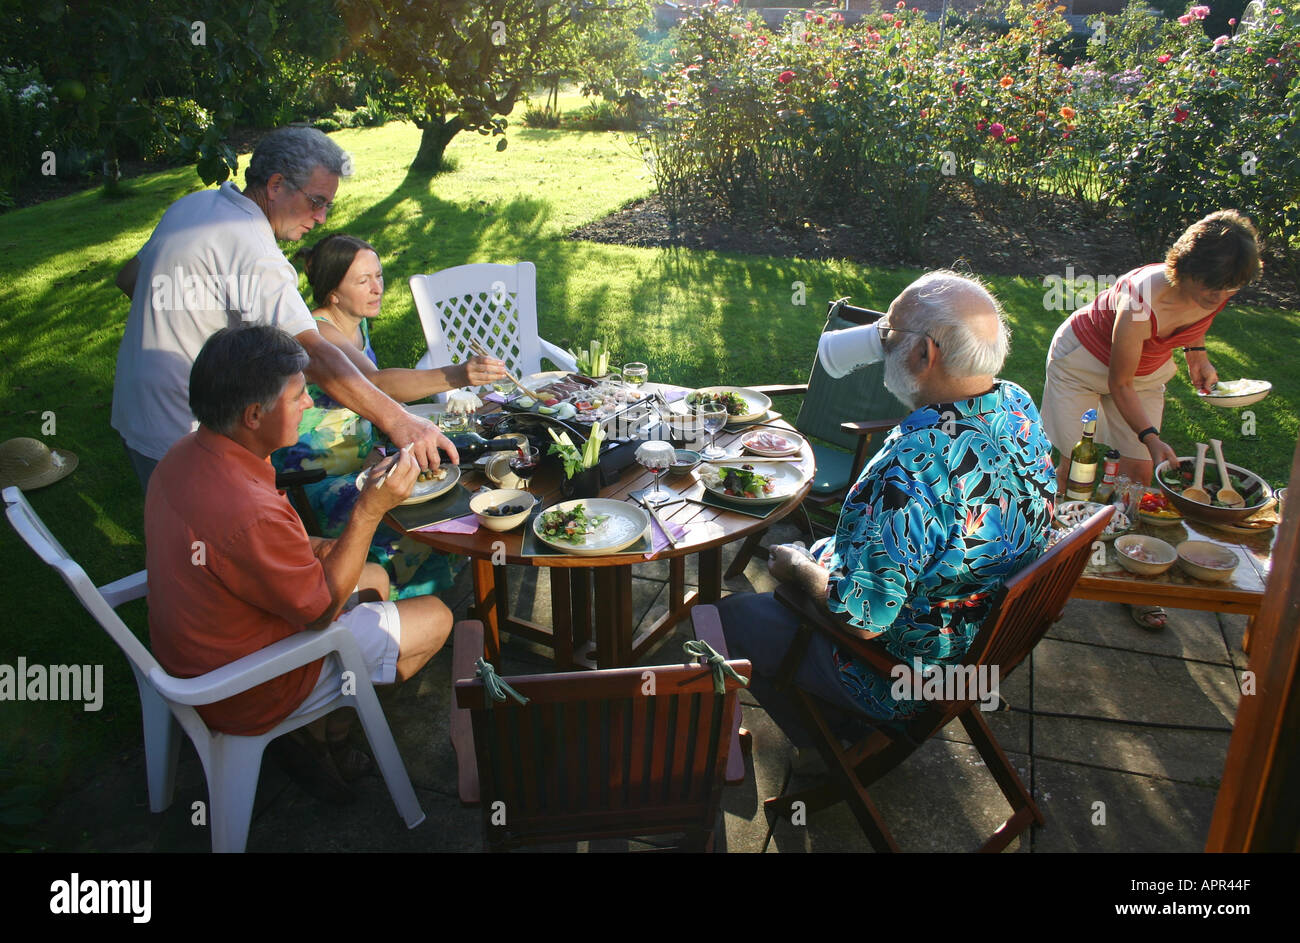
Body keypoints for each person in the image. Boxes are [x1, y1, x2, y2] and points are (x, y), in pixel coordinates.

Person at [715, 271, 1056, 745]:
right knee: (820, 555)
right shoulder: (1015, 403)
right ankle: (834, 727)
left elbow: (861, 619)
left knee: (719, 620)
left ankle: (825, 735)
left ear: (923, 353)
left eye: (889, 334)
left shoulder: (911, 467)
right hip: (975, 637)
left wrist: (794, 567)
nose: (881, 345)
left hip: (905, 676)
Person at [146, 325, 453, 801]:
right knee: (436, 617)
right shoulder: (246, 510)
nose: (310, 404)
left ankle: (331, 727)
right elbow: (318, 613)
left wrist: (321, 547)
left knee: (373, 576)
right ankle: (315, 733)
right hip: (248, 683)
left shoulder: (186, 455)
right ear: (253, 415)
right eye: (296, 397)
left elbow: (251, 553)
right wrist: (370, 508)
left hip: (199, 649)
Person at [112, 126, 455, 490]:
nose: (322, 217)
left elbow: (131, 278)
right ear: (276, 185)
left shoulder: (194, 205)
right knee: (223, 540)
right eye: (316, 201)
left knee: (180, 531)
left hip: (135, 405)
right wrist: (400, 421)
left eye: (328, 205)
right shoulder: (257, 253)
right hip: (187, 426)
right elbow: (316, 355)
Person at [1040, 209, 1263, 629]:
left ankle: (1133, 575)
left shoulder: (1219, 282)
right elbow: (1118, 382)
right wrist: (1151, 434)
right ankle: (1048, 578)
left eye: (1228, 288)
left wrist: (1197, 355)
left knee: (1139, 476)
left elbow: (1195, 320)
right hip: (1082, 364)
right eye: (1211, 287)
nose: (1219, 297)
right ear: (1184, 269)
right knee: (1075, 470)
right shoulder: (1142, 298)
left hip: (1144, 373)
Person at [273, 234, 507, 598]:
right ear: (332, 293)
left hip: (366, 464)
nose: (377, 288)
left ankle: (426, 610)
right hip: (318, 481)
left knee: (461, 496)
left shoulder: (355, 324)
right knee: (429, 525)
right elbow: (376, 383)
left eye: (378, 276)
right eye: (363, 281)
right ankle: (386, 613)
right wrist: (457, 374)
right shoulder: (318, 331)